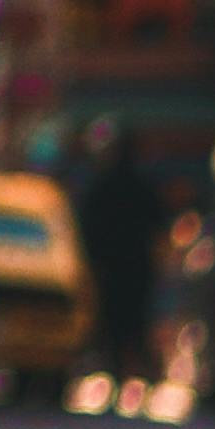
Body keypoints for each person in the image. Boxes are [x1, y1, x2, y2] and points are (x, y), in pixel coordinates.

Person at [72, 116, 163, 406]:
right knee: (128, 327)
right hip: (132, 271)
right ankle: (126, 381)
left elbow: (87, 229)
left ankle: (121, 380)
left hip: (114, 271)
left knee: (115, 327)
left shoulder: (102, 186)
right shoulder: (137, 184)